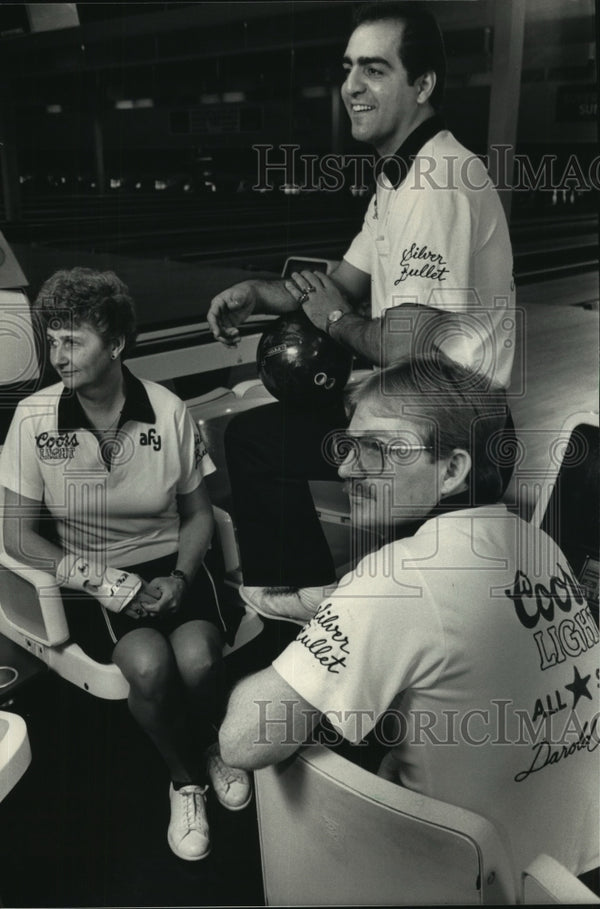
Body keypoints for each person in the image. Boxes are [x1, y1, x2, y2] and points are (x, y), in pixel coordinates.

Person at [218, 355, 599, 880]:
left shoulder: (398, 578)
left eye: (377, 448)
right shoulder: (539, 545)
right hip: (578, 866)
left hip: (485, 884)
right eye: (349, 445)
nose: (346, 468)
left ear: (452, 471)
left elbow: (241, 741)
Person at [207, 1, 516, 622]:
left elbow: (407, 344)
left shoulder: (435, 185)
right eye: (348, 68)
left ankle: (308, 598)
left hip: (455, 435)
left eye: (374, 69)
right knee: (261, 434)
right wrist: (260, 294)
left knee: (259, 441)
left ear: (422, 84)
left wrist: (334, 321)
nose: (351, 85)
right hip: (425, 412)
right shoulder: (400, 179)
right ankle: (314, 597)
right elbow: (342, 284)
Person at [0, 267, 251, 862]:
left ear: (114, 344)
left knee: (198, 659)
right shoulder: (34, 419)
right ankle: (185, 779)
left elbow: (198, 515)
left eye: (73, 340)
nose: (58, 356)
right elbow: (17, 536)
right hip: (92, 570)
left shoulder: (167, 409)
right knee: (148, 665)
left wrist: (180, 577)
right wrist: (105, 583)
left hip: (173, 563)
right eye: (52, 340)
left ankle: (213, 744)